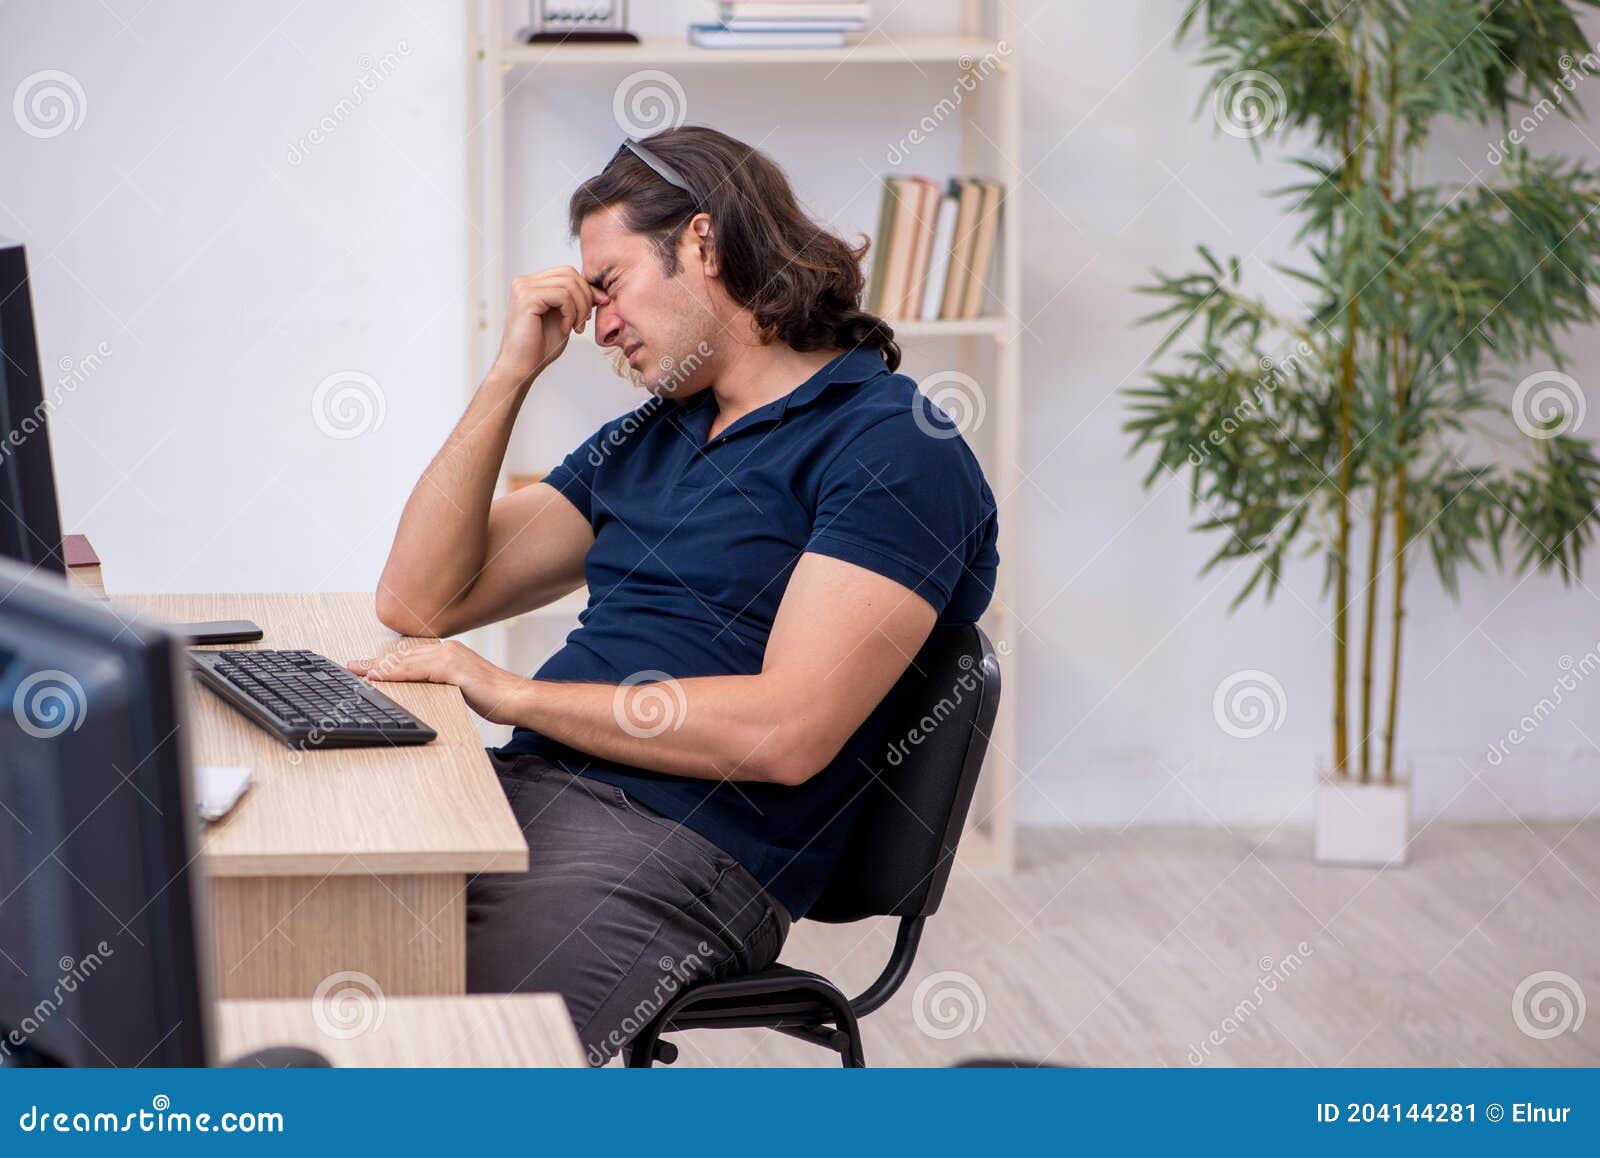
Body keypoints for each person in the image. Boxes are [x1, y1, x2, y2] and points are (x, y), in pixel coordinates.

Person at [350, 125, 999, 1064]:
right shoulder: (653, 435)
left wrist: (515, 693)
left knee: (450, 1061)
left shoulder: (892, 447)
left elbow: (788, 732)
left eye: (607, 285)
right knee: (284, 937)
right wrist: (509, 375)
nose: (597, 325)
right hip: (522, 793)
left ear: (704, 243)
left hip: (679, 852)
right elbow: (416, 601)